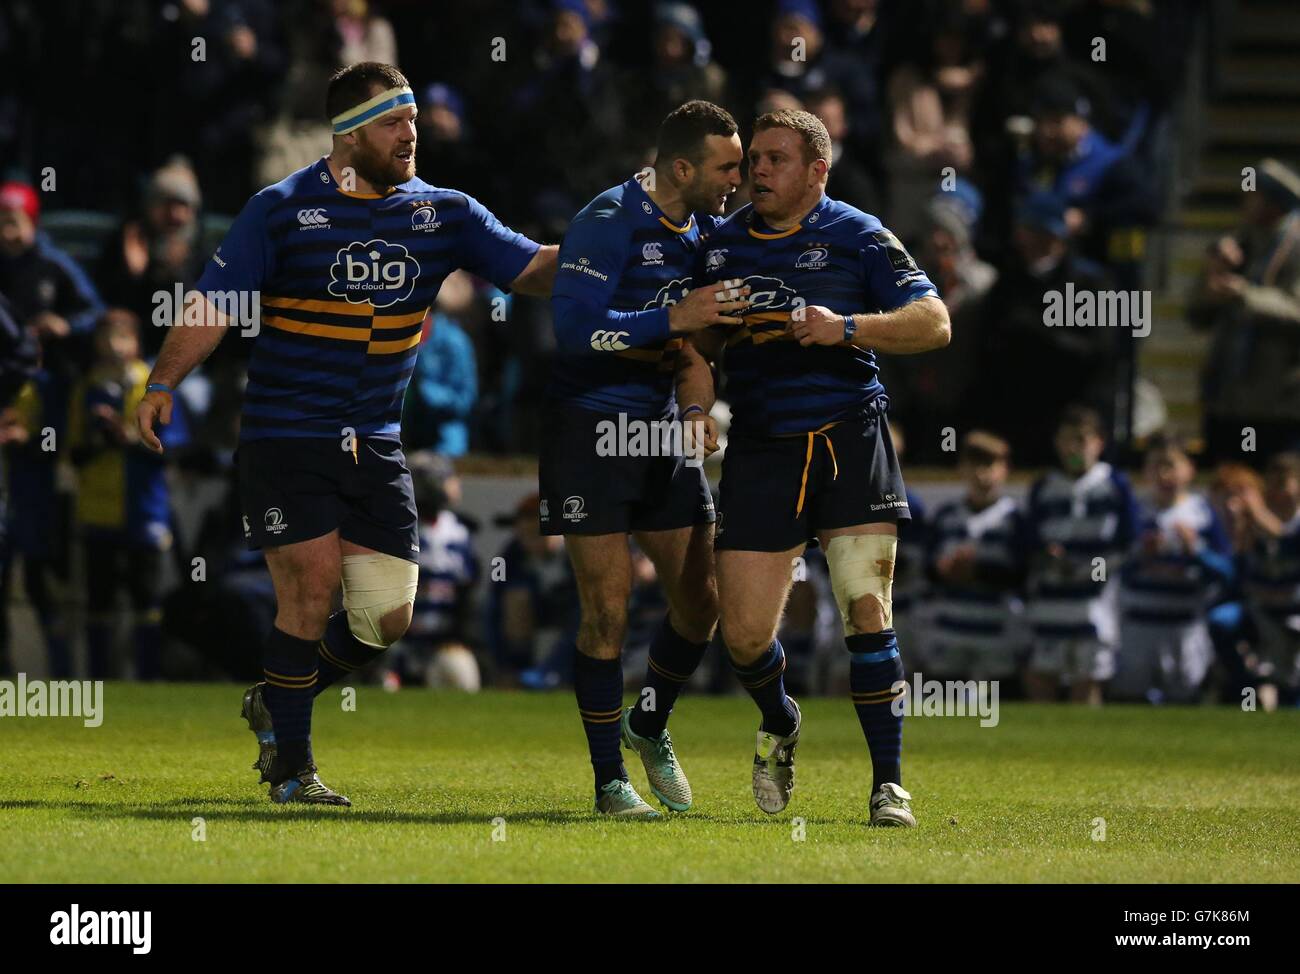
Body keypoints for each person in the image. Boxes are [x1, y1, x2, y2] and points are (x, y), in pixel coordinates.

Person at [136, 61, 557, 806]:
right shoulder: (281, 209)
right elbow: (211, 305)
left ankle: (275, 696)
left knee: (385, 616)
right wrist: (163, 381)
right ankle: (294, 770)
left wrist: (614, 241)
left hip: (376, 442)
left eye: (415, 120)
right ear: (350, 132)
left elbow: (531, 271)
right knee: (308, 593)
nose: (411, 134)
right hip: (285, 435)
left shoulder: (445, 212)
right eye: (395, 122)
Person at [688, 109, 950, 827]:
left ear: (816, 172)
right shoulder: (722, 245)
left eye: (775, 159)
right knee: (742, 636)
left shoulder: (859, 234)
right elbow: (698, 347)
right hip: (763, 447)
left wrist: (848, 328)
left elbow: (935, 322)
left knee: (867, 612)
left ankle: (888, 786)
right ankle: (780, 719)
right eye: (754, 160)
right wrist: (696, 403)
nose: (757, 172)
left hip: (849, 440)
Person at [543, 100, 744, 817]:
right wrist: (673, 316)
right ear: (682, 167)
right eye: (728, 167)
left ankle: (649, 721)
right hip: (589, 432)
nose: (738, 180)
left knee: (704, 603)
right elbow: (572, 329)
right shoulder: (607, 221)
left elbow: (692, 352)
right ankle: (608, 784)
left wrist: (694, 410)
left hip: (660, 433)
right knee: (607, 610)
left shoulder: (708, 232)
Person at [70, 309, 189, 679]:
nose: (111, 345)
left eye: (120, 337)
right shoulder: (87, 387)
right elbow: (72, 452)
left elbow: (175, 446)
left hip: (144, 510)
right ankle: (99, 680)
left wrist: (129, 438)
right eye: (105, 337)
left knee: (146, 597)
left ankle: (148, 679)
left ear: (136, 342)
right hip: (98, 511)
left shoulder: (153, 386)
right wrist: (97, 440)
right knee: (99, 600)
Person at [1023, 405, 1140, 704]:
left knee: (1087, 680)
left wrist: (1090, 569)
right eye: (1067, 440)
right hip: (1051, 598)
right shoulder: (1044, 487)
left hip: (1093, 600)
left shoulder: (1115, 485)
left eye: (1082, 439)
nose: (1074, 448)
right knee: (1042, 675)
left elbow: (1129, 543)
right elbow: (1027, 541)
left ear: (1099, 442)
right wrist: (1045, 555)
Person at [1114, 433, 1233, 703]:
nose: (1164, 474)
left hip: (1184, 625)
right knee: (1130, 702)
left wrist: (1197, 551)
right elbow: (1112, 565)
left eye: (1172, 465)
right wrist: (1140, 554)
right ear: (1146, 471)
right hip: (1139, 622)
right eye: (1156, 465)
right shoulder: (1135, 511)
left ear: (1189, 470)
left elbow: (1226, 571)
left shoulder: (1201, 512)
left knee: (1183, 701)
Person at [926, 431, 1027, 685]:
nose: (982, 473)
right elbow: (927, 569)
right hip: (950, 627)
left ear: (1005, 469)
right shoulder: (946, 516)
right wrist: (945, 571)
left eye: (990, 465)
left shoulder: (1013, 519)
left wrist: (979, 572)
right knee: (945, 708)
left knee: (996, 709)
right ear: (962, 468)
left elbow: (1022, 573)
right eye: (974, 465)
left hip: (996, 630)